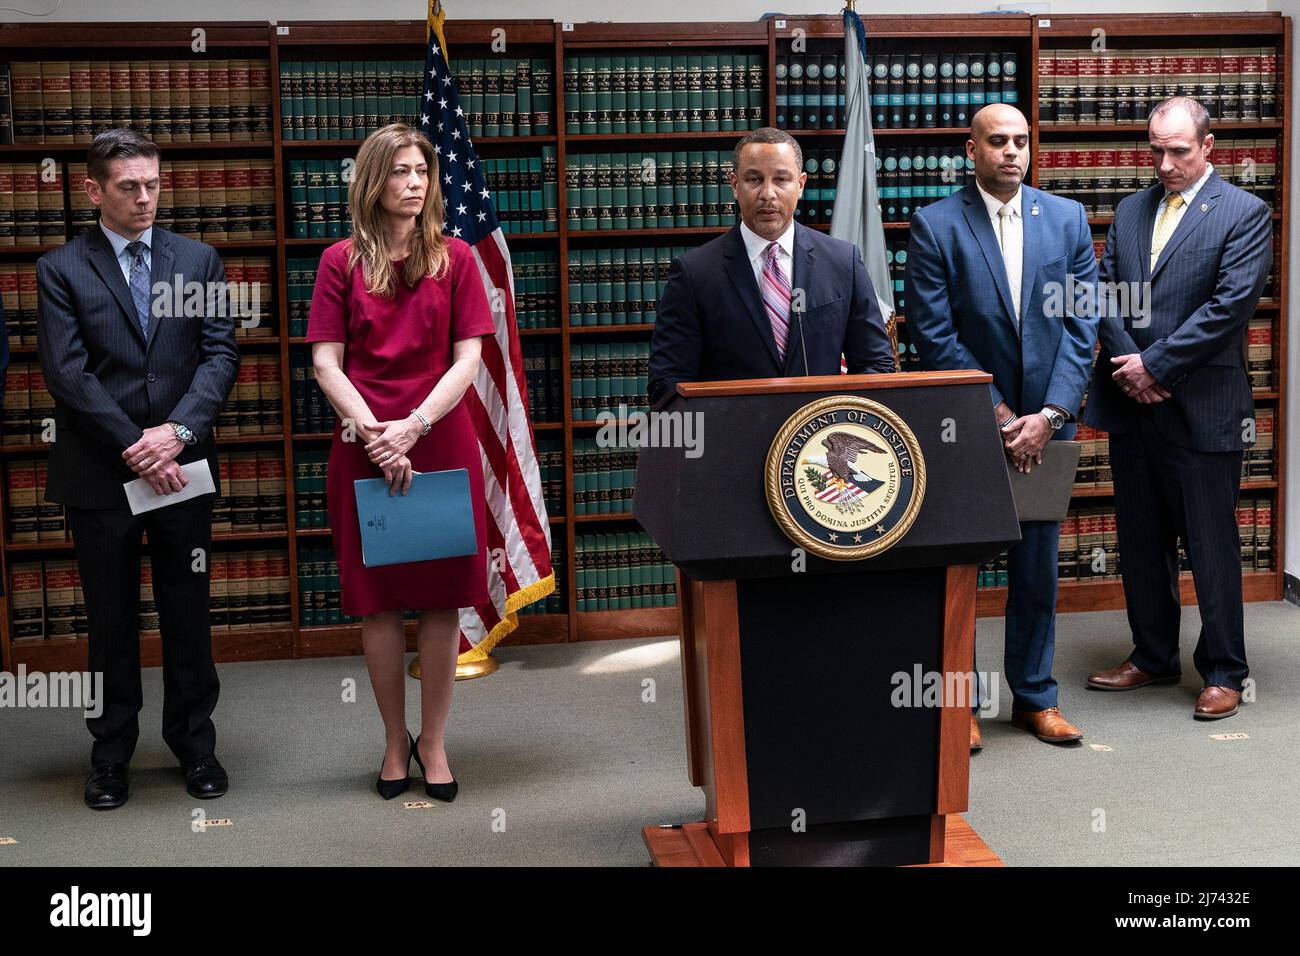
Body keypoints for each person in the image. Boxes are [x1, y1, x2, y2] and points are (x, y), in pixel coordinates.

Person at [36, 129, 239, 809]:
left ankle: (196, 748)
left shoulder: (199, 260)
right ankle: (110, 755)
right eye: (129, 187)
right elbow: (66, 374)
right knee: (111, 621)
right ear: (93, 189)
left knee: (189, 613)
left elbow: (219, 357)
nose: (146, 197)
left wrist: (176, 434)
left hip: (183, 474)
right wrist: (138, 445)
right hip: (101, 478)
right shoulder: (60, 268)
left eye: (153, 183)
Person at [307, 123, 495, 801]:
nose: (414, 184)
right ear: (372, 181)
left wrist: (411, 428)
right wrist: (374, 432)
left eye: (421, 172)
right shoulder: (339, 262)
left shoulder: (458, 259)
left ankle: (435, 743)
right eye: (399, 172)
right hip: (363, 445)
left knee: (442, 601)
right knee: (379, 605)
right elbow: (325, 361)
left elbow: (468, 359)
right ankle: (394, 742)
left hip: (437, 438)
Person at [906, 104, 1100, 749]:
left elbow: (1083, 325)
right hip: (968, 426)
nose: (1012, 152)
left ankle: (1034, 701)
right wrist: (1002, 416)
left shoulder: (1067, 218)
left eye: (1021, 141)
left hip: (1049, 425)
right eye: (998, 141)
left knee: (1038, 569)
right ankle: (958, 706)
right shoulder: (935, 226)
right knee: (960, 569)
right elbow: (935, 336)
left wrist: (1049, 416)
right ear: (972, 150)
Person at [1083, 97, 1272, 721]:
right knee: (1140, 539)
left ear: (1208, 147)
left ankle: (1224, 670)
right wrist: (1130, 366)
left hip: (1203, 407)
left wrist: (1155, 365)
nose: (1163, 163)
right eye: (1156, 150)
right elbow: (1104, 290)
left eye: (1178, 151)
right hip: (1132, 403)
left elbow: (1230, 307)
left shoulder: (1245, 213)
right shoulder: (1134, 208)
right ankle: (1153, 654)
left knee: (1211, 544)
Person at [647, 126, 895, 406]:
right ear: (734, 185)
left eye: (781, 179)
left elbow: (876, 365)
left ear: (800, 184)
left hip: (819, 440)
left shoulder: (842, 262)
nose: (768, 193)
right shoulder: (694, 273)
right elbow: (667, 382)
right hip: (734, 441)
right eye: (754, 179)